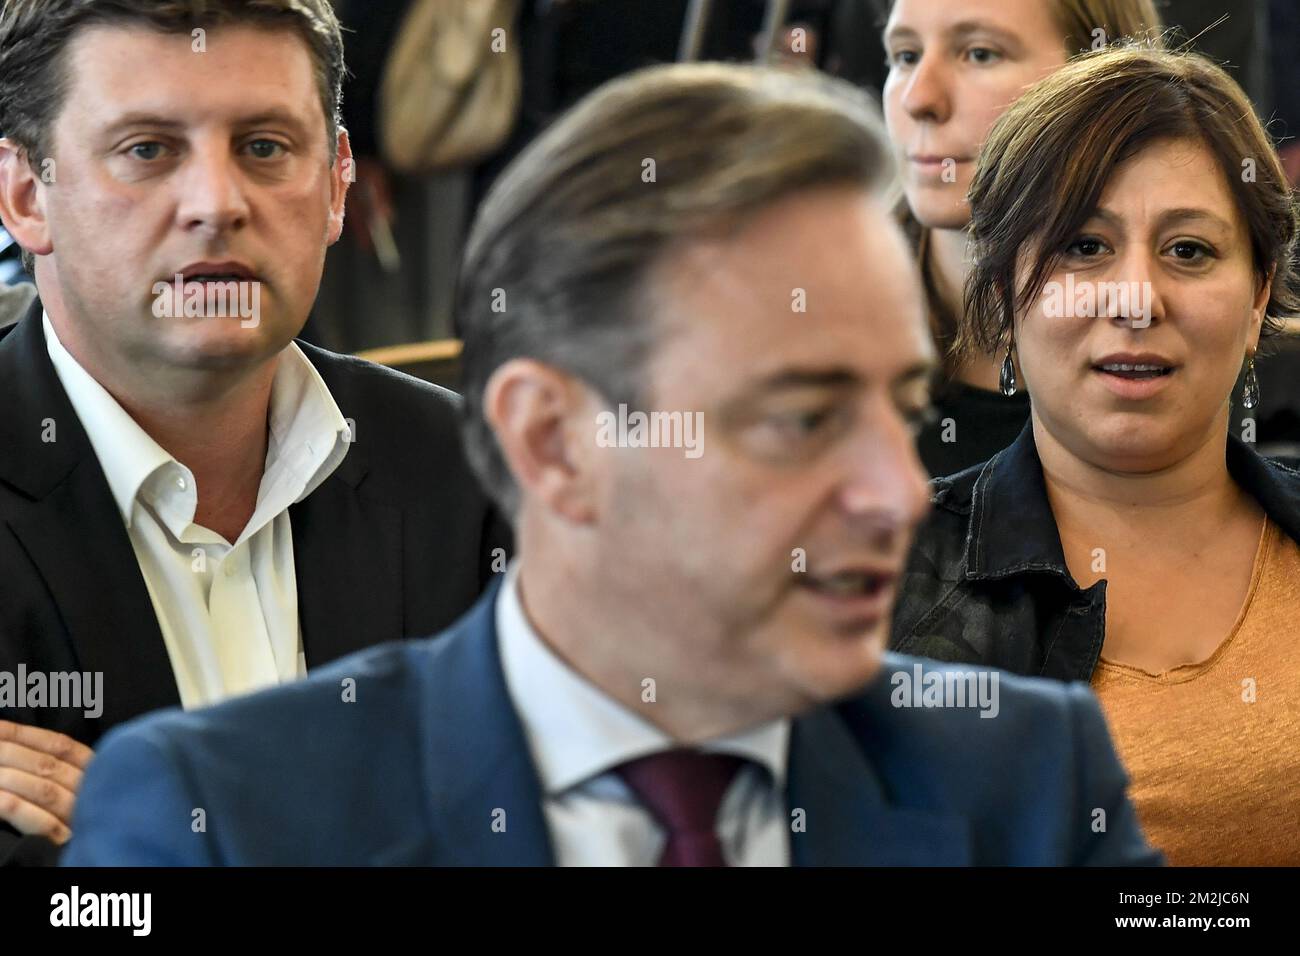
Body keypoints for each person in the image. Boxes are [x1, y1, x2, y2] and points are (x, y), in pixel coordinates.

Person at [63, 62, 1159, 867]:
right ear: (551, 441)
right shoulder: (219, 818)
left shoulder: (1024, 778)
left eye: (901, 404)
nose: (892, 491)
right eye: (797, 419)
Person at [0, 0, 507, 865]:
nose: (216, 204)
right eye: (148, 150)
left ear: (339, 182)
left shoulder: (476, 477)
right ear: (25, 196)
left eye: (264, 147)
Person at [890, 46, 1300, 865]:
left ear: (1257, 298)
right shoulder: (878, 585)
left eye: (1189, 250)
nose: (1135, 299)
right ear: (1004, 297)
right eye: (1084, 247)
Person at [880, 0, 1160, 477]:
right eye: (906, 56)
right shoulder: (808, 330)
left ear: (1105, 81)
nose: (919, 98)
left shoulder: (1194, 344)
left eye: (980, 54)